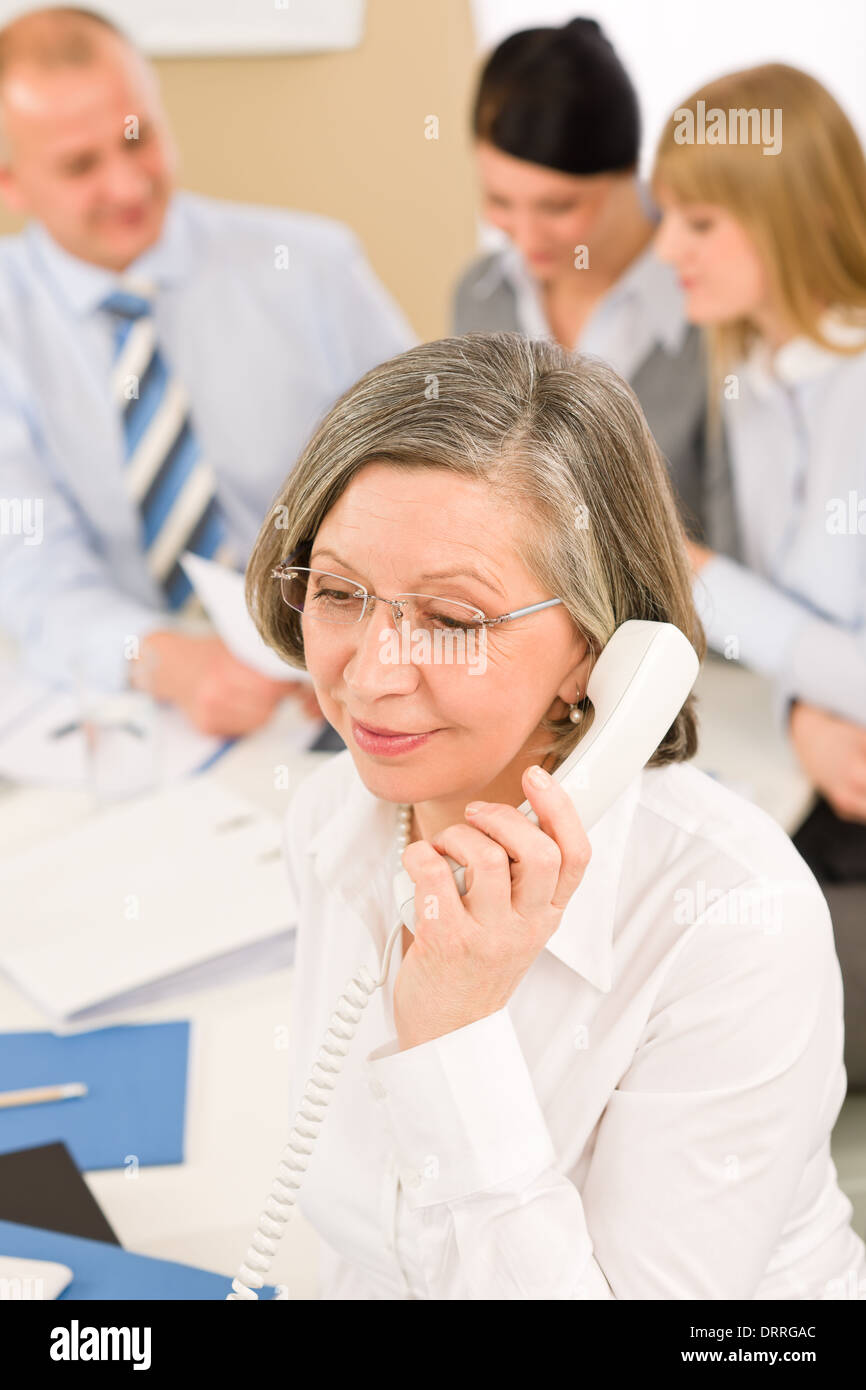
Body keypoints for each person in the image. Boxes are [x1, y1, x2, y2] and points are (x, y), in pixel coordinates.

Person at [242, 331, 865, 1299]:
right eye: (337, 593)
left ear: (596, 648)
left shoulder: (732, 917)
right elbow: (373, 1245)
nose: (369, 674)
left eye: (451, 620)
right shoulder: (338, 820)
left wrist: (454, 1036)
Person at [0, 6, 414, 739]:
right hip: (146, 714)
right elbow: (34, 575)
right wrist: (173, 664)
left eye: (140, 139)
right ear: (9, 181)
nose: (127, 186)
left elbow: (438, 469)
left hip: (368, 675)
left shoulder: (312, 267)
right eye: (80, 166)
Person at [652, 63, 866, 1085]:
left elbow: (773, 613)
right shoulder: (749, 369)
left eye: (697, 224)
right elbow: (814, 627)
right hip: (827, 768)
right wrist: (800, 711)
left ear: (786, 216)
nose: (665, 250)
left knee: (712, 993)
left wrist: (699, 579)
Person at [453, 16, 737, 554]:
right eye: (500, 202)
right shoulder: (478, 296)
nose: (526, 236)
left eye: (558, 206)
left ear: (630, 170)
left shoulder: (714, 308)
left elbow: (739, 565)